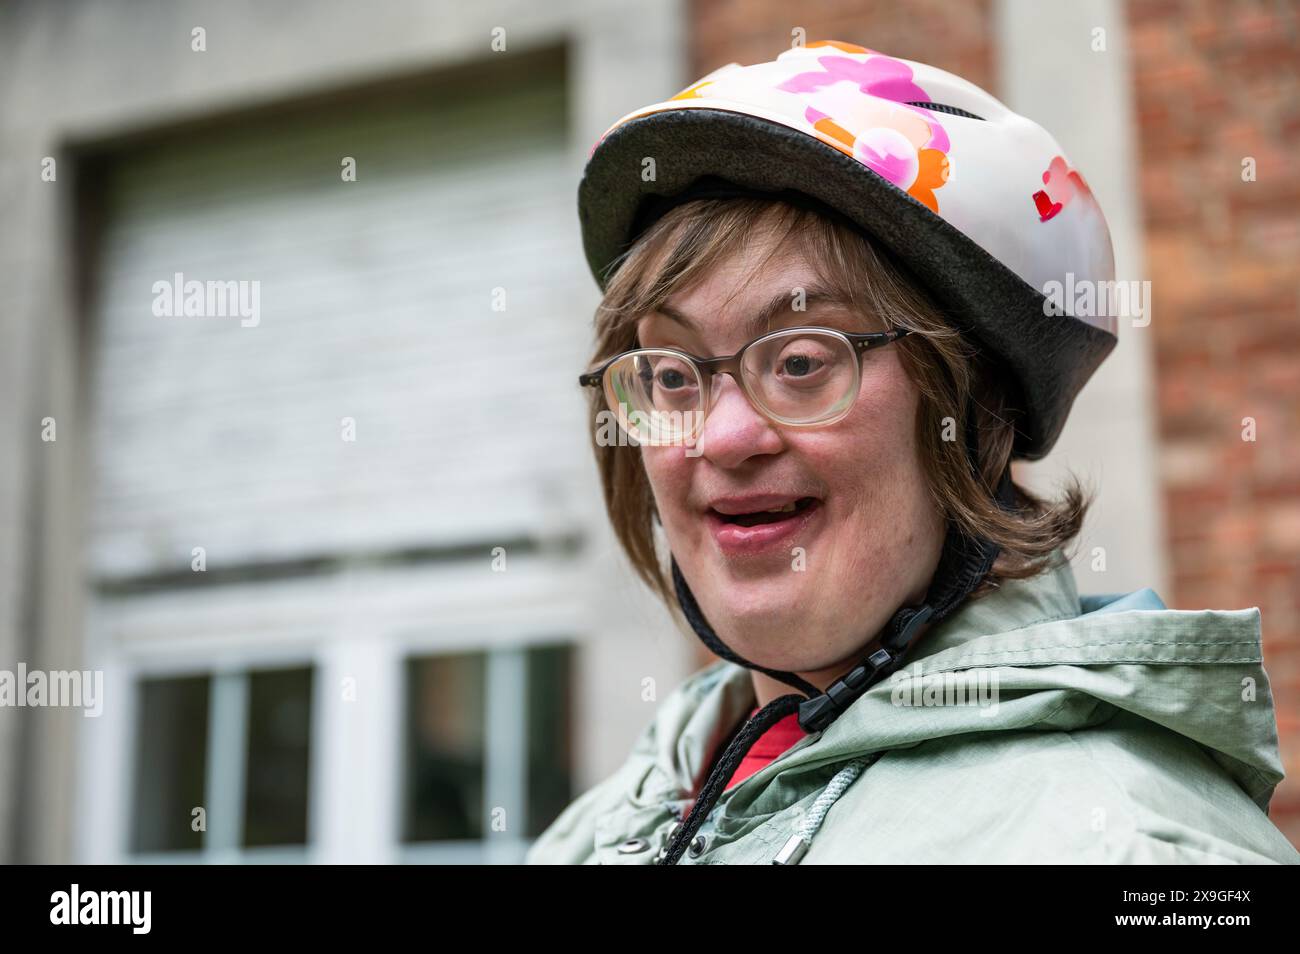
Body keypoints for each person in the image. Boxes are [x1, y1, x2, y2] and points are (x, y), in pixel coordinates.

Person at [525, 40, 1300, 864]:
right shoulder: (614, 824)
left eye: (799, 362)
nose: (721, 438)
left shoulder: (1128, 847)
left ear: (971, 408)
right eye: (673, 376)